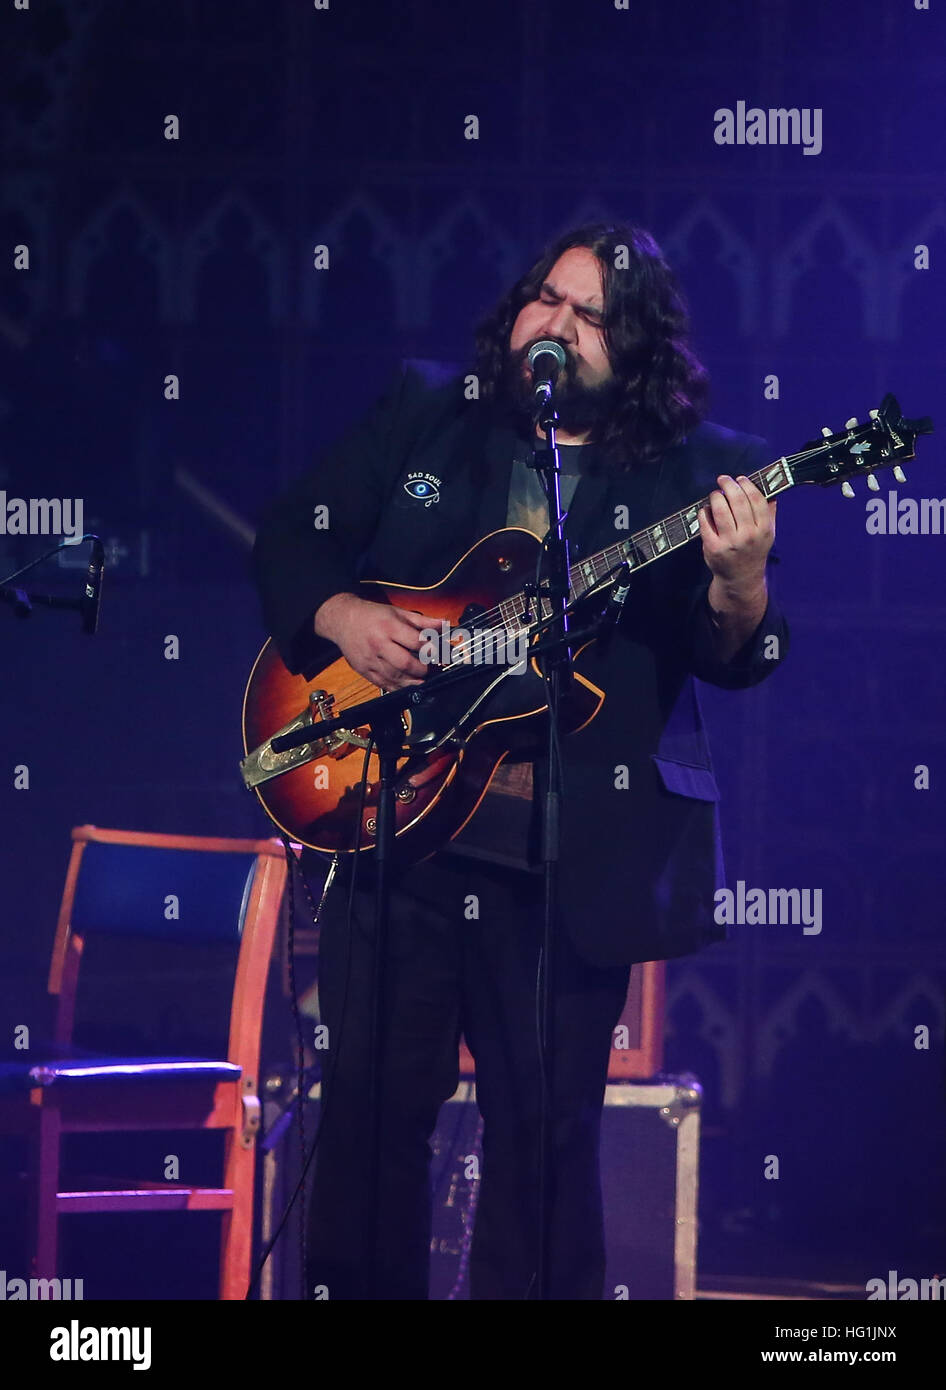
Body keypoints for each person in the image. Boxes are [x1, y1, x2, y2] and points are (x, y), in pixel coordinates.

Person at [252, 222, 788, 1300]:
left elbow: (736, 657)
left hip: (565, 860)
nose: (557, 324)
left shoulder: (699, 471)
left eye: (590, 316)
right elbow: (292, 535)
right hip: (396, 826)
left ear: (633, 350)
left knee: (543, 1139)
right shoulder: (426, 410)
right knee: (367, 1121)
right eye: (547, 298)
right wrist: (346, 612)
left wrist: (740, 581)